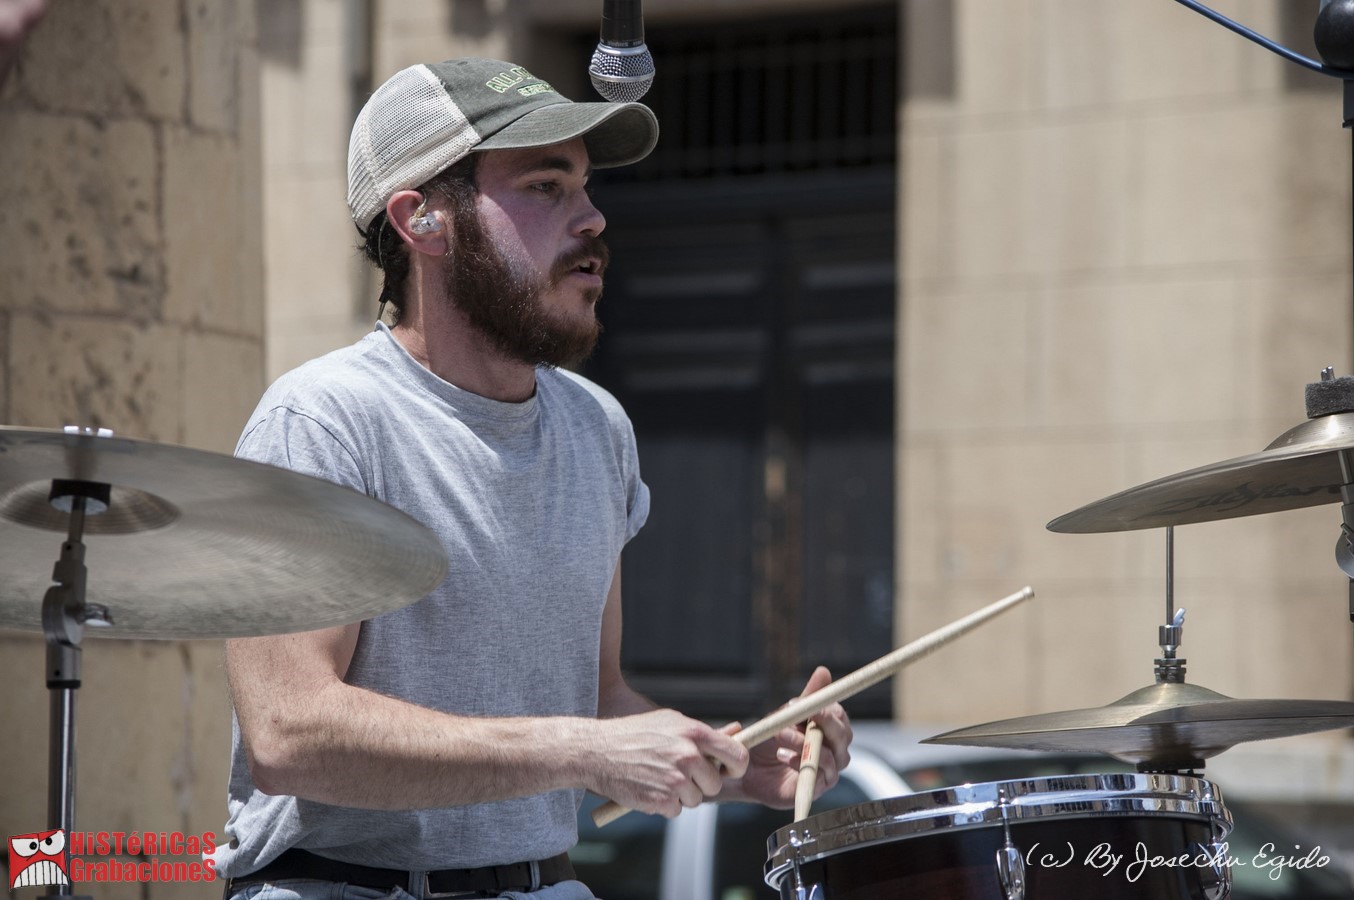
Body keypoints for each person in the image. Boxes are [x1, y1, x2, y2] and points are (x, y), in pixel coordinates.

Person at [217, 57, 852, 900]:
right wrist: (586, 751)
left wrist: (728, 761)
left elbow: (597, 702)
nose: (592, 220)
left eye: (586, 188)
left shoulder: (599, 429)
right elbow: (289, 733)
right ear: (425, 221)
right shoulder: (322, 423)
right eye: (547, 187)